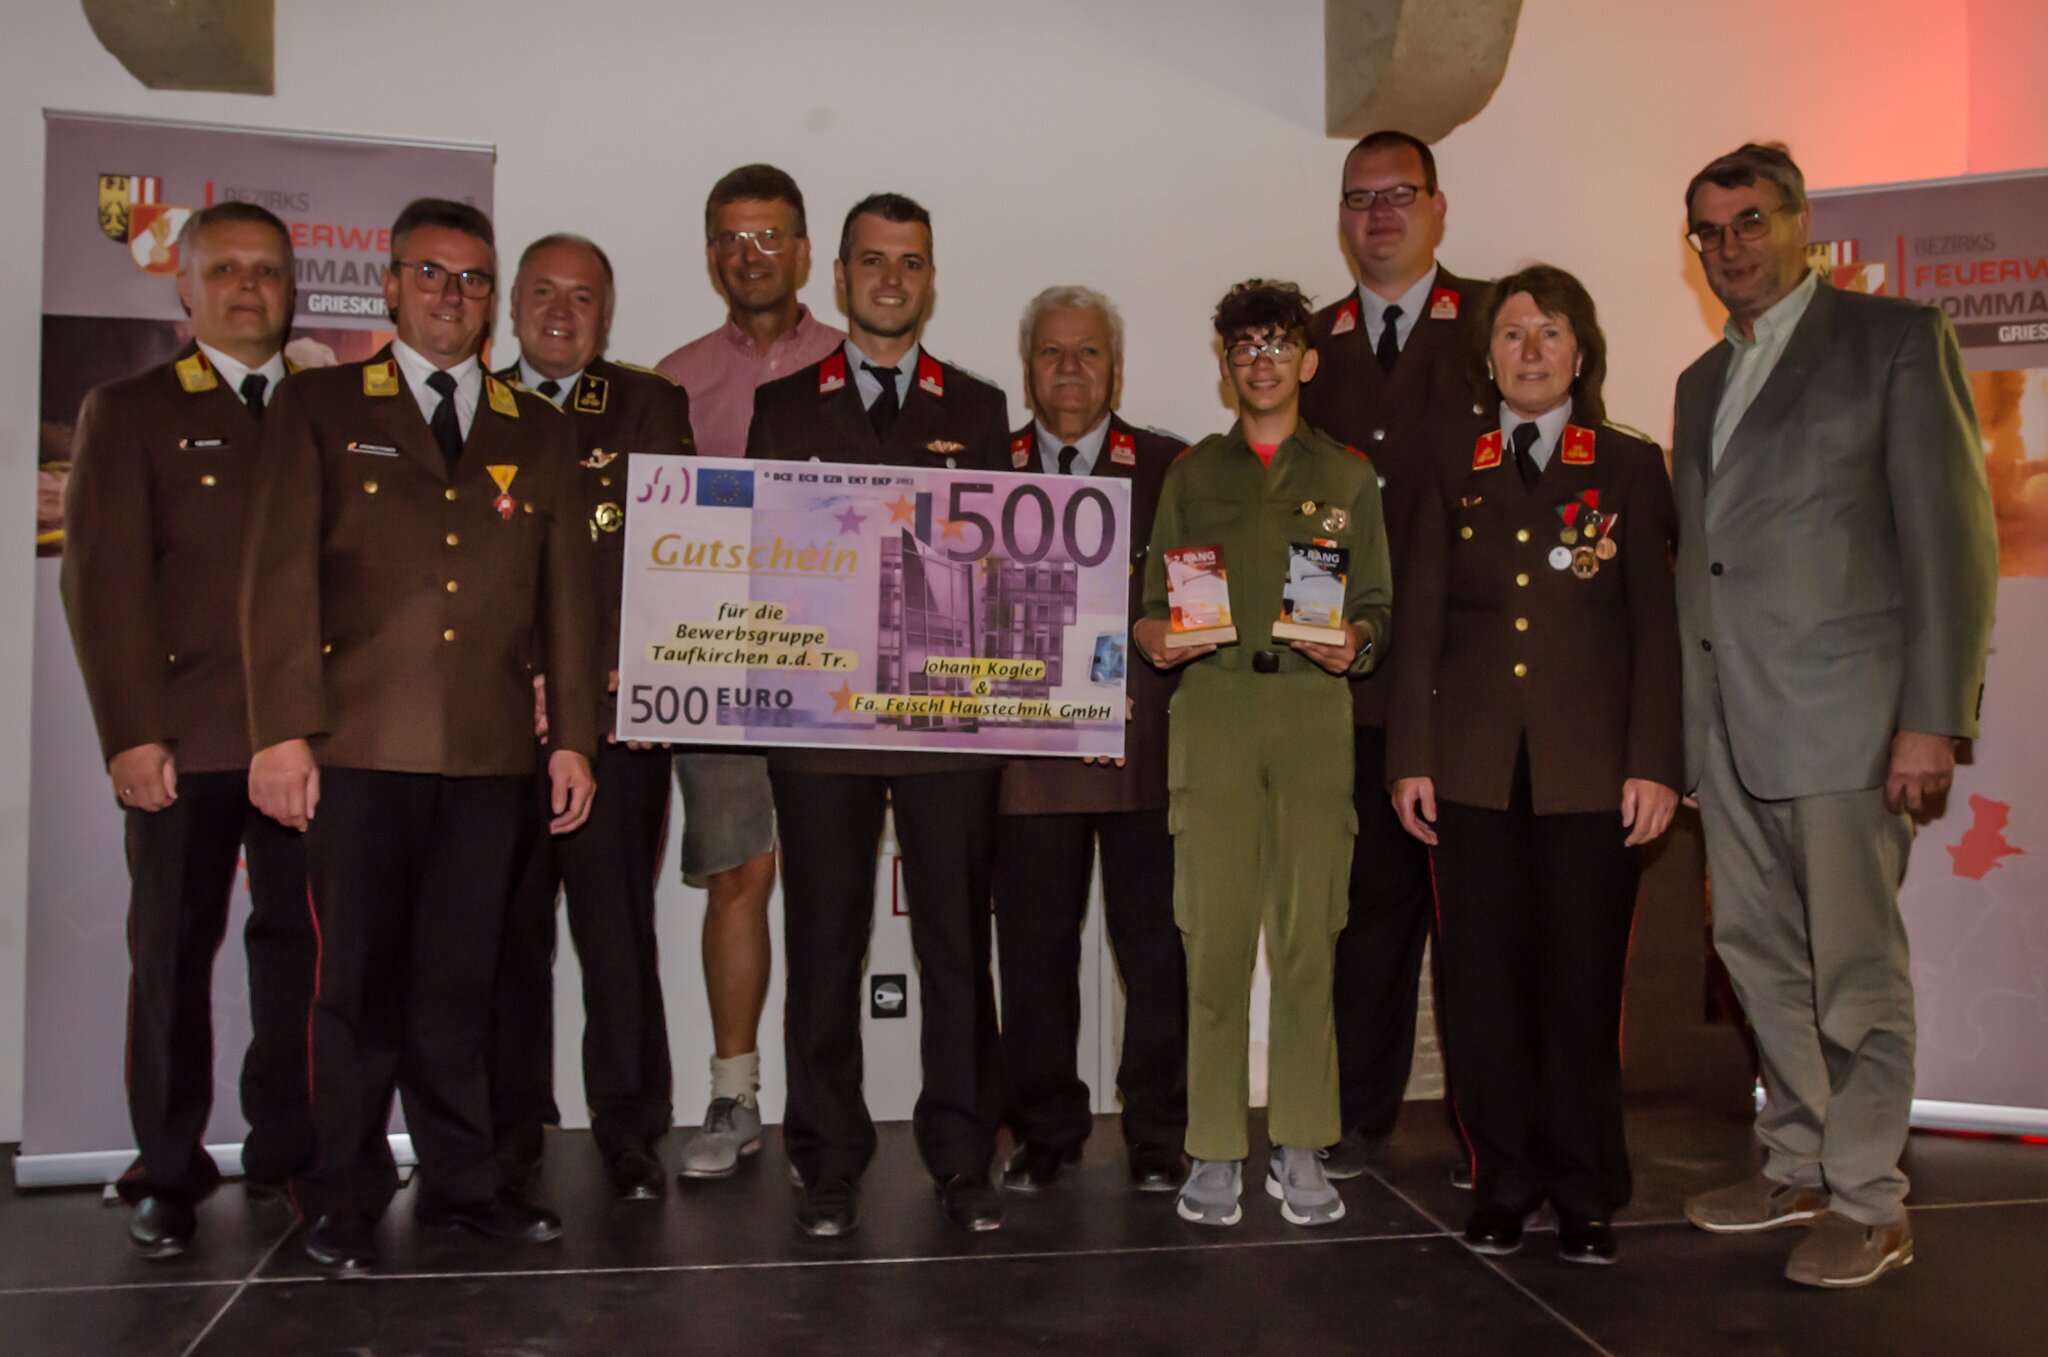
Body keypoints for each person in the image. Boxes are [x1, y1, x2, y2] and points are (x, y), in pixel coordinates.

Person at [242, 198, 599, 1275]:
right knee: (350, 988)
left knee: (463, 985)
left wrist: (572, 737)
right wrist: (282, 733)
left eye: (474, 279)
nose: (453, 295)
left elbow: (565, 601)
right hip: (354, 748)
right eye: (432, 275)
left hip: (489, 756)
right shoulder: (316, 406)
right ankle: (343, 1194)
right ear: (390, 286)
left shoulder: (537, 428)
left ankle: (459, 1185)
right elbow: (277, 580)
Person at [1671, 143, 1997, 1289]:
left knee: (1854, 971)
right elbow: (1701, 571)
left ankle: (1868, 1197)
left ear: (1799, 221)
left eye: (1749, 221)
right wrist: (1689, 735)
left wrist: (1931, 717)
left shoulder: (1892, 341)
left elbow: (1951, 541)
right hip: (1729, 731)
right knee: (1754, 958)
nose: (1729, 247)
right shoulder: (1699, 382)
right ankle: (1795, 1160)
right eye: (1707, 231)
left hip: (1849, 724)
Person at [1387, 265, 1683, 1264]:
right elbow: (1419, 614)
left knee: (1578, 986)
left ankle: (1584, 1187)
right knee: (1478, 989)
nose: (1527, 350)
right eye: (1510, 333)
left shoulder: (1628, 466)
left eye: (1547, 333)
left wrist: (1652, 762)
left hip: (1586, 775)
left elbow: (1656, 628)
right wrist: (1408, 756)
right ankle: (1503, 1178)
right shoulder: (1447, 460)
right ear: (1486, 355)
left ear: (1579, 352)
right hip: (1467, 771)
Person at [747, 192, 1011, 1236]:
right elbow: (763, 564)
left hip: (948, 726)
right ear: (840, 276)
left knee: (954, 947)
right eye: (872, 260)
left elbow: (1005, 570)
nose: (891, 279)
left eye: (910, 262)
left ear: (930, 278)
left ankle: (960, 1155)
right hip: (822, 726)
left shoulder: (980, 408)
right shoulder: (783, 407)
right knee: (822, 945)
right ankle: (824, 1159)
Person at [59, 201, 317, 1258]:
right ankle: (165, 1169)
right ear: (186, 286)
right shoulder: (128, 410)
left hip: (308, 742)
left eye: (267, 270)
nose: (249, 287)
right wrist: (130, 732)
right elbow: (103, 584)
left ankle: (286, 1151)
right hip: (187, 739)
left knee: (300, 960)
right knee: (168, 956)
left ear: (291, 285)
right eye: (227, 270)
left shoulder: (328, 408)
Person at [1135, 280, 1391, 1229]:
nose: (1261, 362)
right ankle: (1212, 1147)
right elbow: (1157, 598)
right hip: (1214, 713)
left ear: (1308, 361)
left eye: (1279, 344)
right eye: (1243, 347)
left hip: (1312, 716)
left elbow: (1379, 608)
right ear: (1226, 363)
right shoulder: (1193, 472)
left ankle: (1299, 1142)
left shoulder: (1350, 477)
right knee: (1212, 938)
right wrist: (1153, 633)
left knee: (1309, 935)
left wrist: (1355, 643)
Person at [488, 233, 696, 1200]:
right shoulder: (471, 404)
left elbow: (681, 561)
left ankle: (628, 1130)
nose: (561, 312)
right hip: (490, 726)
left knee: (616, 933)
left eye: (582, 297)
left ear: (605, 314)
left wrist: (645, 680)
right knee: (503, 932)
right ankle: (512, 1125)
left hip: (620, 721)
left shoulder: (650, 404)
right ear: (513, 305)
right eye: (543, 293)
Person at [1299, 130, 1491, 1180]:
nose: (1377, 214)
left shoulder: (1493, 326)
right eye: (1357, 198)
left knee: (1474, 931)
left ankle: (1487, 1136)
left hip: (1468, 686)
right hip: (1354, 688)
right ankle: (1351, 1119)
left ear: (1437, 208)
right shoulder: (1307, 343)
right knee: (1363, 921)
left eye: (1397, 195)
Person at [657, 166, 844, 1175]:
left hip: (842, 681)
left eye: (768, 236)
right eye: (730, 238)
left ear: (804, 252)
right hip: (720, 668)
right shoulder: (670, 381)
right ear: (710, 255)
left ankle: (829, 1110)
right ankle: (732, 1099)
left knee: (832, 885)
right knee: (738, 875)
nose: (749, 254)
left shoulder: (858, 367)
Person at [993, 286, 1188, 1196]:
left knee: (1156, 952)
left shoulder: (1170, 468)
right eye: (1052, 353)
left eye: (1089, 354)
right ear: (1026, 366)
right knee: (1034, 952)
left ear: (1118, 367)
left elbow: (1198, 607)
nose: (1070, 370)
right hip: (1026, 759)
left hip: (1146, 752)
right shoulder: (983, 471)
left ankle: (1157, 1131)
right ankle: (1045, 1129)